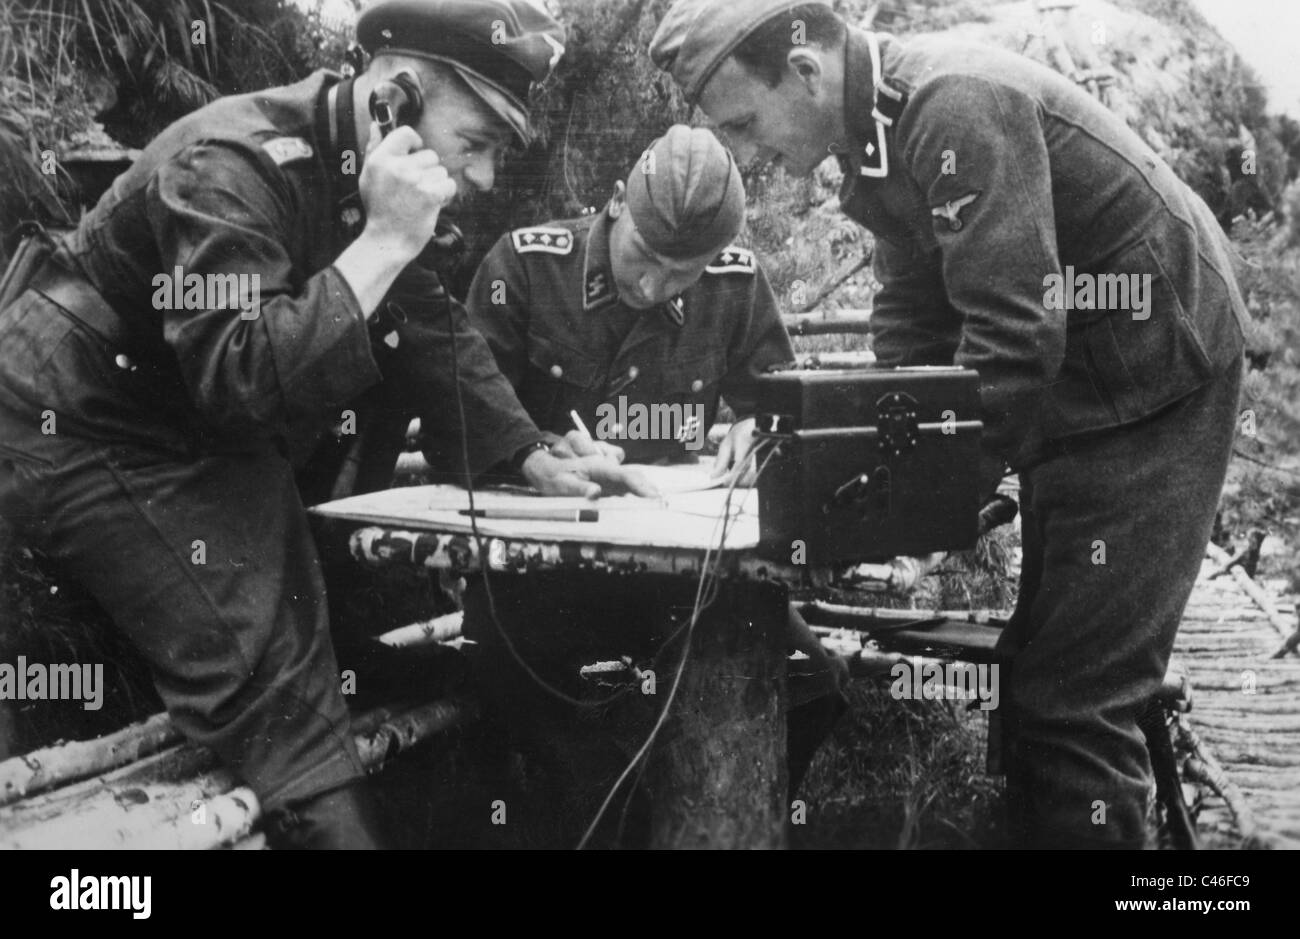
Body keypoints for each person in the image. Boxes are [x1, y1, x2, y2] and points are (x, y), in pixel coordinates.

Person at [0, 0, 643, 850]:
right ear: (398, 96)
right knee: (281, 684)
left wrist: (526, 455)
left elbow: (426, 322)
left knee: (335, 627)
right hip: (82, 412)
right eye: (476, 140)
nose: (483, 176)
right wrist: (379, 241)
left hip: (178, 417)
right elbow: (238, 375)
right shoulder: (229, 164)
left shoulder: (355, 169)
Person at [650, 0, 1247, 848]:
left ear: (807, 69)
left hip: (1154, 378)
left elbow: (1014, 333)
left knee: (1076, 701)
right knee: (1035, 675)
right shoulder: (877, 135)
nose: (747, 156)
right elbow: (912, 319)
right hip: (1079, 387)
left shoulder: (952, 103)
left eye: (744, 122)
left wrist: (916, 497)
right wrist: (879, 461)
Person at [449, 126, 846, 846]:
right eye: (646, 256)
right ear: (615, 205)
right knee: (586, 757)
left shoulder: (734, 281)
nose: (655, 284)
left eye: (682, 271)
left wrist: (754, 427)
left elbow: (781, 405)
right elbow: (458, 422)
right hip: (537, 589)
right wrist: (535, 453)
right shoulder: (528, 268)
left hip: (682, 580)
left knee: (814, 685)